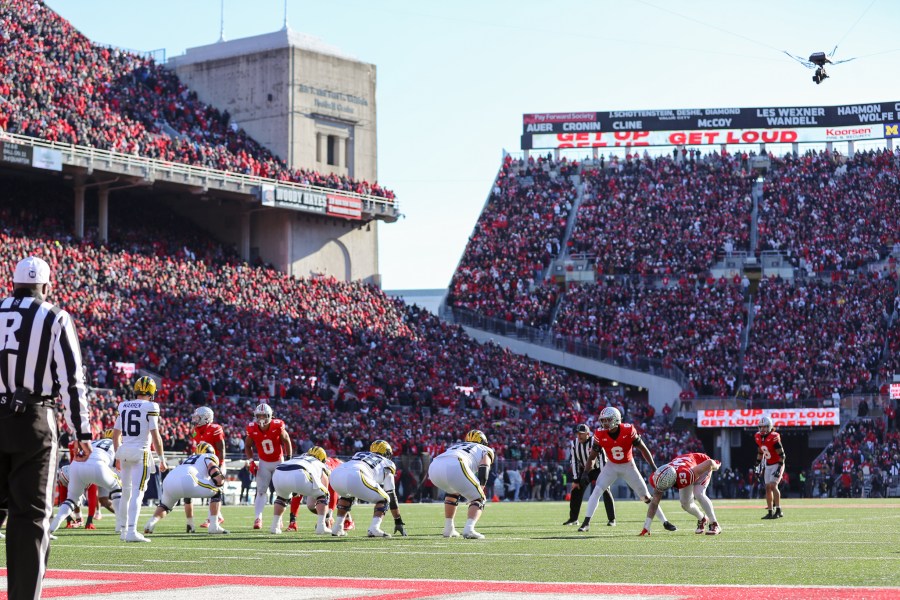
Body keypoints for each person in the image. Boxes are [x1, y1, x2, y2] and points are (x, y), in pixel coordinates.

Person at [0, 256, 92, 600]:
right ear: (46, 286)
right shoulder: (54, 316)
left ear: (13, 284)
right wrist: (82, 432)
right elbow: (72, 380)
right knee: (30, 517)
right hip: (33, 420)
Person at [577, 407, 676, 533]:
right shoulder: (600, 434)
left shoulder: (628, 429)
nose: (605, 423)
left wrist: (653, 467)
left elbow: (643, 449)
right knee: (597, 490)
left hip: (628, 465)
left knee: (645, 496)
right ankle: (586, 523)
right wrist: (586, 472)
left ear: (616, 419)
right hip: (611, 465)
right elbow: (592, 456)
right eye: (603, 420)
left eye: (608, 420)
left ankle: (665, 522)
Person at [113, 376, 168, 542]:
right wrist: (162, 458)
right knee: (137, 493)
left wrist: (117, 454)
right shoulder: (151, 406)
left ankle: (123, 530)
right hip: (141, 452)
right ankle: (131, 531)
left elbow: (116, 433)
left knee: (126, 493)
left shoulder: (123, 405)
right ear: (151, 392)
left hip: (124, 451)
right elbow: (155, 434)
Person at [143, 442, 228, 535]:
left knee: (165, 506)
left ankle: (150, 523)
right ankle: (214, 526)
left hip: (169, 479)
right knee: (217, 490)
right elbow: (215, 473)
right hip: (189, 479)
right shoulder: (208, 457)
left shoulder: (189, 459)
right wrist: (220, 480)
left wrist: (190, 522)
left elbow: (187, 497)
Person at [329, 440, 407, 538]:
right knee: (385, 498)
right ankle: (374, 528)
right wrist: (398, 520)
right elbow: (391, 494)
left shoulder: (360, 454)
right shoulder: (388, 463)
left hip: (336, 474)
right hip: (356, 474)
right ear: (386, 453)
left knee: (346, 496)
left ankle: (338, 527)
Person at [50, 431, 121, 534]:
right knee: (117, 489)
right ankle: (121, 525)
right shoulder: (117, 445)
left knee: (71, 500)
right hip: (98, 464)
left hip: (76, 465)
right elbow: (118, 467)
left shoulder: (95, 441)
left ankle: (52, 527)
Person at [427, 429, 494, 539]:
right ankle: (469, 529)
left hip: (434, 466)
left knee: (452, 492)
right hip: (456, 464)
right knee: (479, 498)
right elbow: (484, 467)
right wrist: (480, 489)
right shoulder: (485, 449)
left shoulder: (457, 445)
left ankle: (448, 529)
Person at [644, 452, 722, 536]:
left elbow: (709, 462)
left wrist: (716, 466)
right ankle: (702, 518)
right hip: (685, 467)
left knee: (698, 493)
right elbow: (655, 502)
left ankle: (714, 524)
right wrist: (647, 526)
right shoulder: (658, 476)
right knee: (685, 504)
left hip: (701, 463)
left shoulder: (684, 475)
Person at [245, 402, 292, 529]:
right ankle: (258, 518)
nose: (261, 419)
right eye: (259, 416)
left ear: (270, 415)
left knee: (281, 491)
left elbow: (286, 440)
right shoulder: (252, 428)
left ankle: (279, 518)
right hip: (264, 462)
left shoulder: (277, 425)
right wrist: (251, 461)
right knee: (260, 491)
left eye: (264, 415)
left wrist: (288, 459)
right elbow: (247, 445)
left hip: (278, 461)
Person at [269, 446, 331, 534]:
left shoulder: (300, 457)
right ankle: (321, 526)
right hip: (300, 472)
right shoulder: (319, 463)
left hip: (279, 471)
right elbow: (324, 484)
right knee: (324, 494)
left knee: (282, 498)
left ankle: (274, 526)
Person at [564, 423, 615, 527]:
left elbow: (602, 459)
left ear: (588, 434)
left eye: (581, 434)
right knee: (576, 490)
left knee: (606, 490)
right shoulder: (574, 444)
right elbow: (574, 461)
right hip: (585, 470)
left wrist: (603, 476)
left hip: (599, 469)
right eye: (577, 434)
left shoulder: (595, 441)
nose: (579, 436)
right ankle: (573, 519)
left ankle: (612, 519)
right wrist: (576, 479)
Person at [188, 406, 226, 531]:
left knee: (214, 489)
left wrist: (218, 465)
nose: (195, 419)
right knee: (209, 489)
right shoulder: (195, 430)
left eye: (198, 417)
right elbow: (195, 442)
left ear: (206, 418)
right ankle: (217, 516)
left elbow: (221, 448)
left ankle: (212, 518)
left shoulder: (215, 429)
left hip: (215, 463)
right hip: (203, 463)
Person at [755, 416, 786, 519]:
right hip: (768, 464)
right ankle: (770, 511)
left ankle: (778, 510)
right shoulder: (758, 437)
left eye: (765, 427)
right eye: (761, 427)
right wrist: (757, 465)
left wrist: (779, 469)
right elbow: (760, 452)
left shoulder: (774, 437)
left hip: (777, 463)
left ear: (770, 427)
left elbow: (782, 455)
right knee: (767, 488)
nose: (763, 429)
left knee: (773, 486)